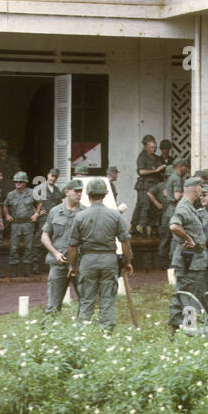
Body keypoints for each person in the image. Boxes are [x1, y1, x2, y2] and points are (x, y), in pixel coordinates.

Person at [68, 178, 132, 330]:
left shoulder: (80, 216)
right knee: (108, 298)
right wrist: (127, 262)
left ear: (88, 195)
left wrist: (73, 266)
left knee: (86, 299)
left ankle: (83, 331)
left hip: (88, 261)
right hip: (108, 260)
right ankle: (107, 331)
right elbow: (125, 243)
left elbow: (73, 246)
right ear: (104, 195)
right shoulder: (115, 215)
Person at [40, 180, 83, 315]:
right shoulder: (55, 211)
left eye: (81, 191)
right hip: (59, 264)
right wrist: (55, 253)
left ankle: (84, 330)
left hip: (80, 264)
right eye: (76, 191)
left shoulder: (85, 212)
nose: (79, 194)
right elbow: (44, 236)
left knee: (86, 302)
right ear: (67, 193)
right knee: (53, 305)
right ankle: (49, 330)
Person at [168, 177, 205, 331]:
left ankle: (178, 328)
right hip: (189, 260)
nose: (202, 191)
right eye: (201, 188)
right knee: (188, 295)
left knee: (185, 293)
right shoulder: (184, 207)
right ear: (196, 189)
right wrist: (188, 238)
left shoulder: (188, 206)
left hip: (191, 260)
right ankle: (187, 329)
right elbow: (174, 226)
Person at [3, 171, 39, 279]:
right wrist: (7, 215)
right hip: (16, 224)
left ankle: (28, 269)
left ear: (25, 183)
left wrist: (36, 214)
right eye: (16, 182)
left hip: (28, 223)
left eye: (20, 182)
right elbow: (5, 205)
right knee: (13, 247)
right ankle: (14, 270)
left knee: (29, 247)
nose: (17, 184)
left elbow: (40, 203)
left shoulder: (32, 192)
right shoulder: (10, 194)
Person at [159, 157, 189, 269]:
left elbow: (165, 192)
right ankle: (173, 262)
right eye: (185, 166)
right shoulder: (177, 178)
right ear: (181, 166)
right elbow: (177, 196)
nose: (186, 169)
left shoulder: (171, 177)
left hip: (169, 209)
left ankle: (164, 262)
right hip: (175, 209)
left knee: (166, 236)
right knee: (175, 236)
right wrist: (187, 193)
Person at [134, 135, 166, 236]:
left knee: (155, 207)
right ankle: (142, 228)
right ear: (145, 147)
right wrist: (155, 170)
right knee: (144, 206)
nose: (154, 149)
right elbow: (141, 171)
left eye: (155, 147)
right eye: (152, 147)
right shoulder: (142, 158)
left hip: (156, 185)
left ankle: (154, 227)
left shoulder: (157, 158)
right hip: (145, 185)